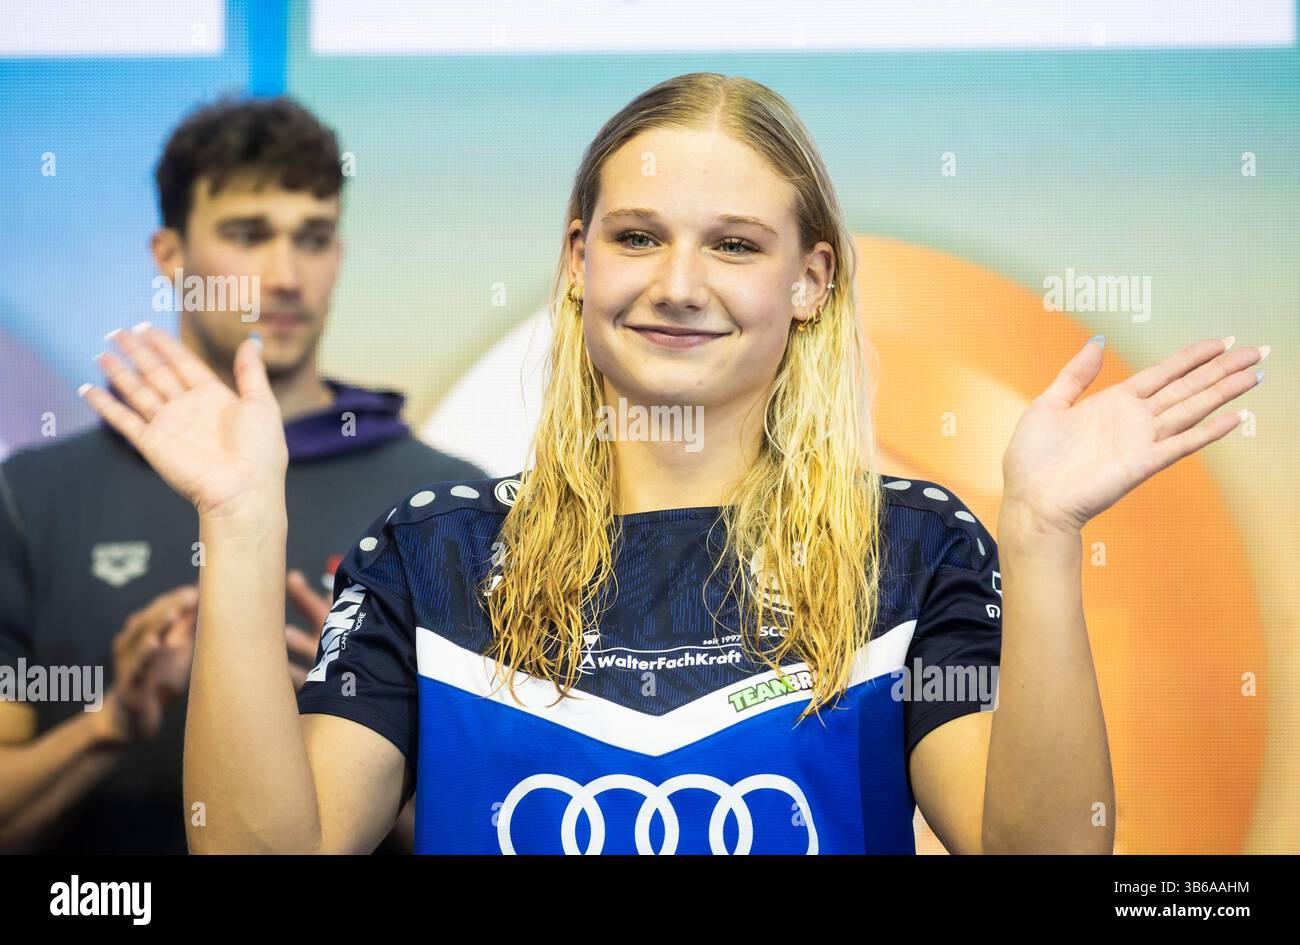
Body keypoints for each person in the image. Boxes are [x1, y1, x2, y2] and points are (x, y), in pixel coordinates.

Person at [80, 73, 1265, 854]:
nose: (678, 282)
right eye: (638, 237)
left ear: (810, 283)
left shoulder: (914, 548)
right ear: (578, 261)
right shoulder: (430, 554)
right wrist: (239, 527)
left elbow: (1047, 854)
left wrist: (1044, 535)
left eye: (734, 245)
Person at [0, 96, 483, 854]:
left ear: (339, 256)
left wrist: (365, 703)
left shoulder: (446, 507)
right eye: (247, 234)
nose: (286, 275)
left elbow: (503, 823)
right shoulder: (30, 497)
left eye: (313, 237)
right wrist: (109, 724)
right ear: (170, 254)